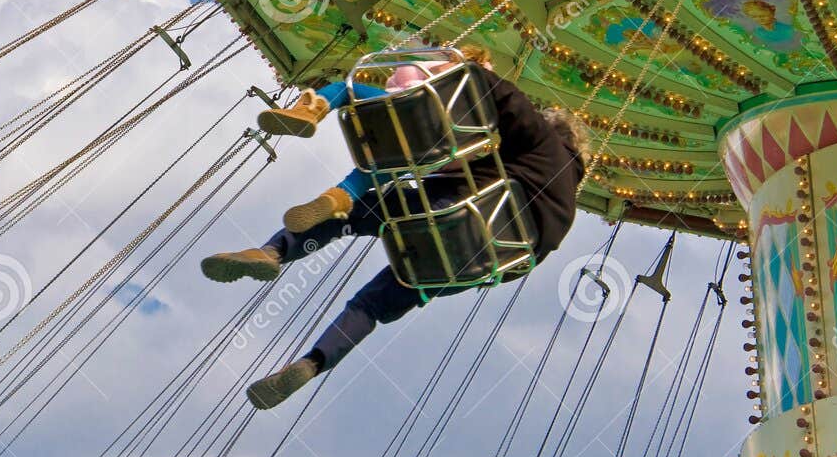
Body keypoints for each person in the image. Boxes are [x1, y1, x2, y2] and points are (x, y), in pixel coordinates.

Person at [202, 52, 590, 410]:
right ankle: (311, 363)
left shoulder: (542, 145)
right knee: (373, 305)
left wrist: (462, 76)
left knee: (356, 214)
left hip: (456, 212)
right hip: (469, 262)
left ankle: (276, 252)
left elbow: (504, 99)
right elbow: (522, 266)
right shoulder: (564, 212)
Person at [256, 44, 494, 233]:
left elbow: (407, 72)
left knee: (345, 89)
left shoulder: (450, 66)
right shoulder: (482, 106)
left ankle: (309, 111)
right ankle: (335, 199)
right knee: (368, 174)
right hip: (425, 151)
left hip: (407, 109)